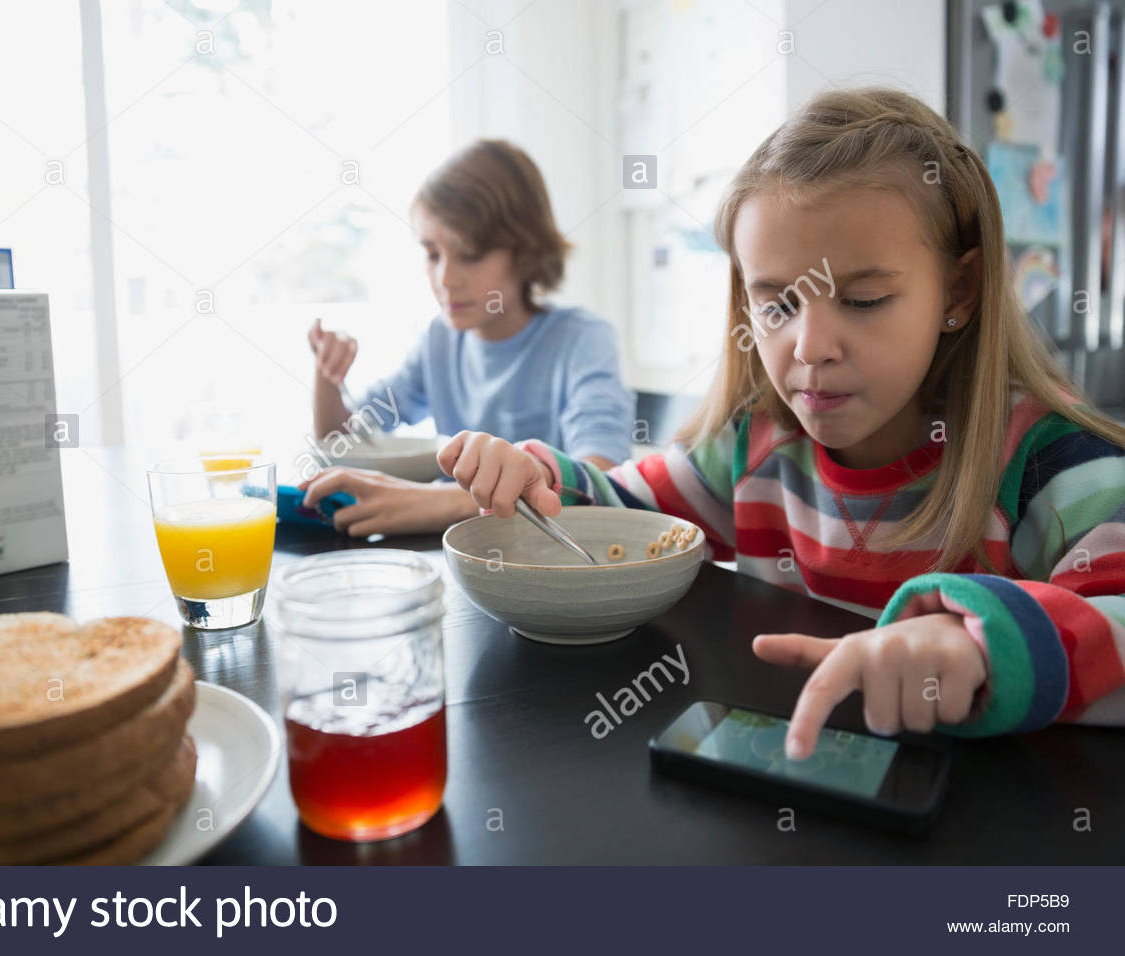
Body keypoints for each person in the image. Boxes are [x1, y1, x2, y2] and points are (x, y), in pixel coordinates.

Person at [435, 87, 1125, 759]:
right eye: (777, 304)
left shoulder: (1054, 461)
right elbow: (619, 513)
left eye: (862, 299)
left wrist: (980, 645)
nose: (809, 347)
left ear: (959, 291)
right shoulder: (756, 445)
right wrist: (536, 474)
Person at [301, 139, 634, 537]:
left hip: (550, 565)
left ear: (526, 251)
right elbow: (341, 443)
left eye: (470, 254)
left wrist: (438, 502)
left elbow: (601, 477)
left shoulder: (581, 340)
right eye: (432, 253)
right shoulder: (440, 341)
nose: (445, 280)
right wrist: (327, 375)